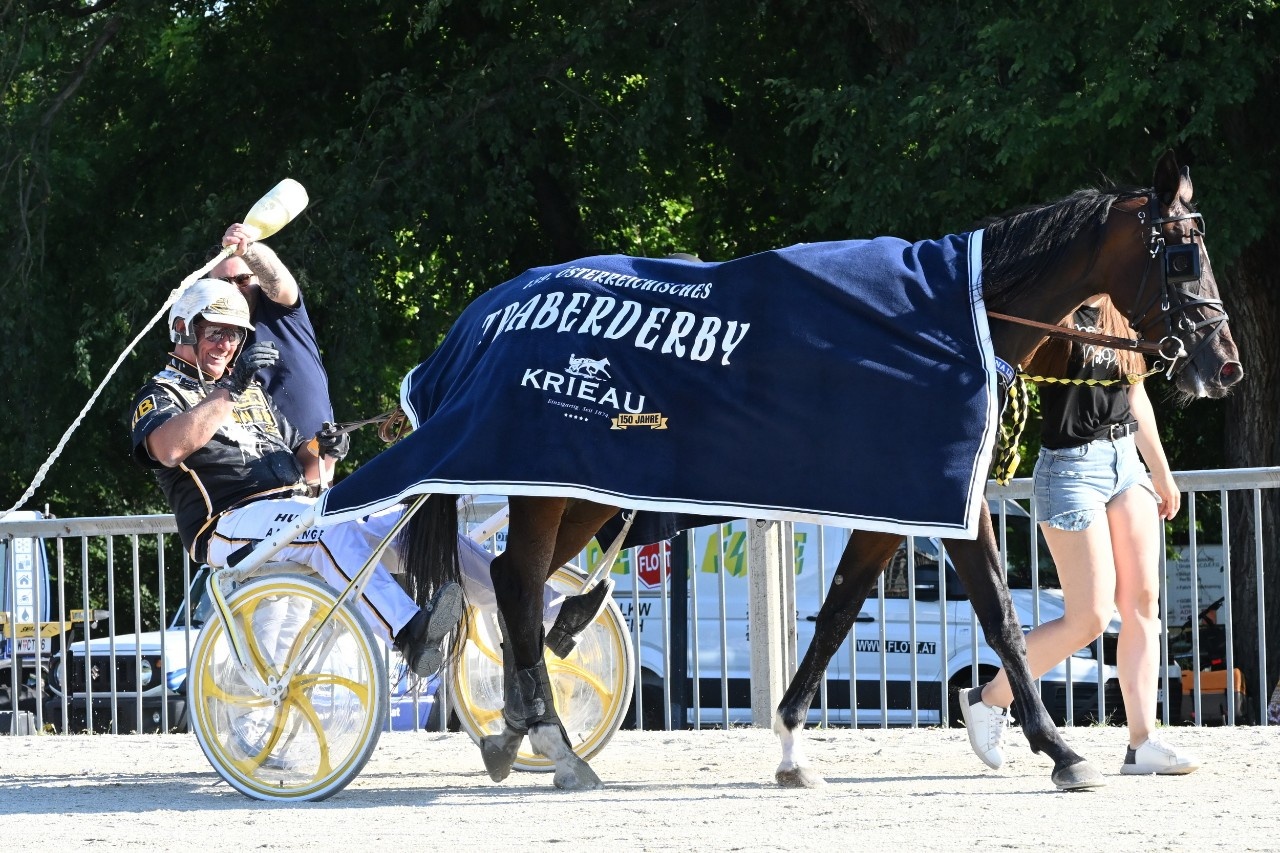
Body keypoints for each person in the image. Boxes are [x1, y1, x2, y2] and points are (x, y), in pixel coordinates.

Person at [129, 280, 609, 672]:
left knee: (415, 525)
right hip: (228, 528)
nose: (226, 344)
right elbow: (169, 447)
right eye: (215, 332)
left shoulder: (251, 392)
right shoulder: (160, 393)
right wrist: (232, 388)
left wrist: (325, 451)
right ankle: (408, 633)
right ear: (182, 329)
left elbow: (310, 468)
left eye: (235, 335)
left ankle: (545, 612)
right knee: (324, 531)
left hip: (296, 511)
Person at [960, 295, 1200, 776]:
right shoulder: (1049, 312)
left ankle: (1141, 743)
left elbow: (1136, 397)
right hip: (1070, 471)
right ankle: (989, 698)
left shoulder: (1123, 316)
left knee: (1142, 605)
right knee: (1089, 617)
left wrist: (1163, 473)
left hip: (1125, 464)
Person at [210, 223, 334, 443]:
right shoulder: (208, 339)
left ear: (257, 281)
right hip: (262, 471)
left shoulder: (281, 310)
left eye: (242, 279)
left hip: (318, 462)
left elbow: (275, 276)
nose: (234, 289)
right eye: (223, 282)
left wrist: (247, 249)